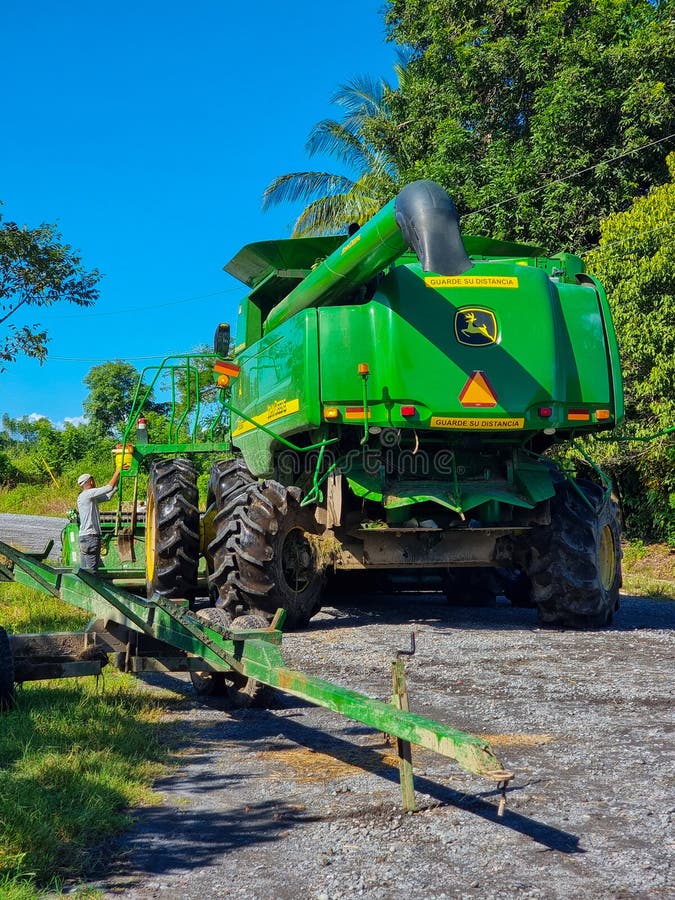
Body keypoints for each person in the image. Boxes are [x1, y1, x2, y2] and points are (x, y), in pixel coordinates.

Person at [76, 468, 121, 573]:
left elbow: (107, 496)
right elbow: (108, 487)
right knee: (92, 573)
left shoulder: (84, 497)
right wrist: (117, 472)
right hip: (91, 537)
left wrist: (117, 482)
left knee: (84, 572)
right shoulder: (88, 493)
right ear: (91, 481)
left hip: (83, 538)